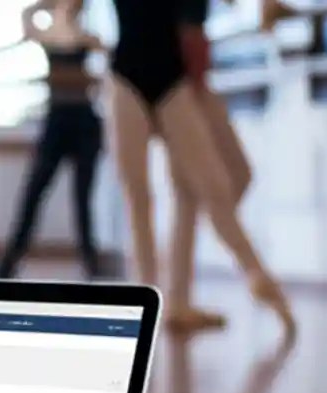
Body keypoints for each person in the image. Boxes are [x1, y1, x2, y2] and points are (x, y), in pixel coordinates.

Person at [109, 0, 295, 335]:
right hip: (126, 78)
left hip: (174, 81)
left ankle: (256, 276)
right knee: (139, 198)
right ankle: (146, 304)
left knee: (211, 188)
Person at [0, 0, 105, 280]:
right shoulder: (48, 34)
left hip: (85, 124)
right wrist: (50, 4)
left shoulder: (87, 36)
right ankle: (8, 263)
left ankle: (92, 267)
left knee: (83, 198)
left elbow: (110, 56)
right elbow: (27, 15)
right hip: (56, 123)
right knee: (33, 193)